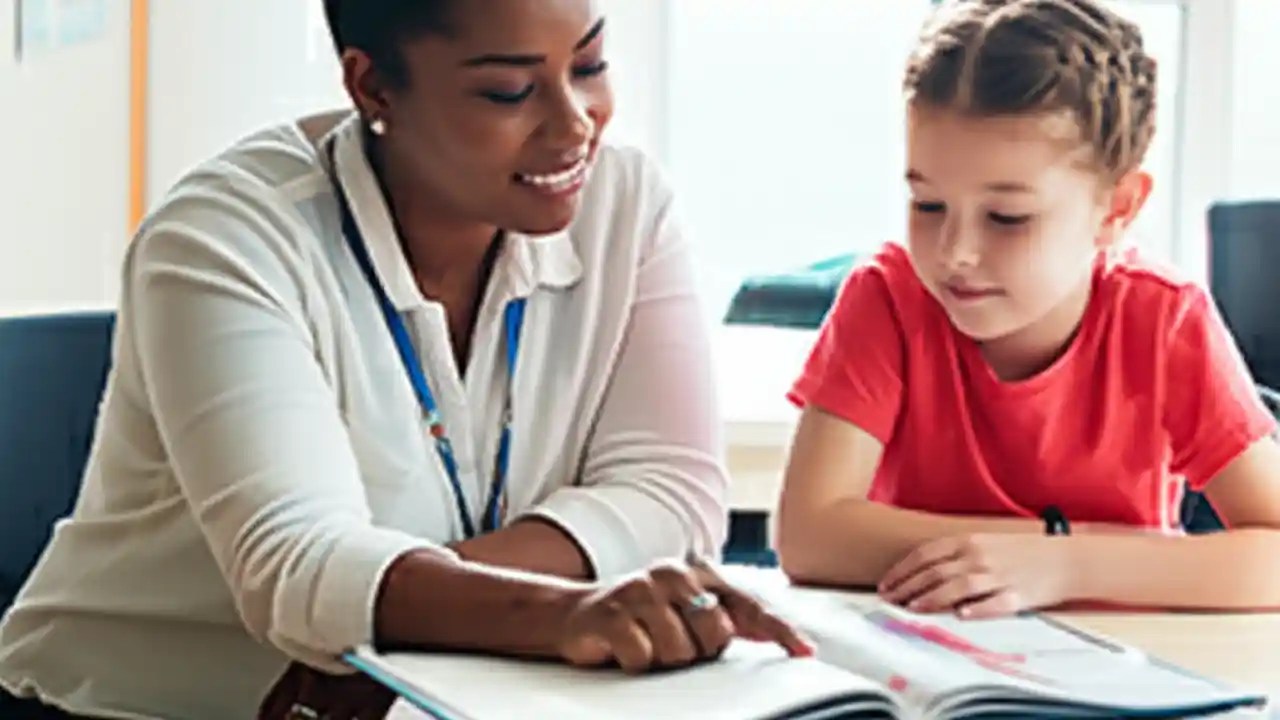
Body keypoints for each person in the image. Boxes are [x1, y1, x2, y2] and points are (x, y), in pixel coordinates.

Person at [0, 1, 813, 718]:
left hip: (433, 699)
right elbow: (300, 563)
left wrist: (389, 622)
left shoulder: (623, 203)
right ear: (374, 87)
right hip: (138, 706)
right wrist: (552, 614)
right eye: (510, 91)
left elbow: (673, 496)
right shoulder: (223, 239)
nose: (575, 126)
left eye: (590, 64)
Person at [776, 0, 1280, 620]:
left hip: (1119, 660)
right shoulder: (887, 298)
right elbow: (809, 534)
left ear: (1117, 208)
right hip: (930, 652)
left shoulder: (1164, 320)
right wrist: (1045, 544)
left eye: (1007, 217)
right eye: (928, 204)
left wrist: (1064, 564)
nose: (955, 252)